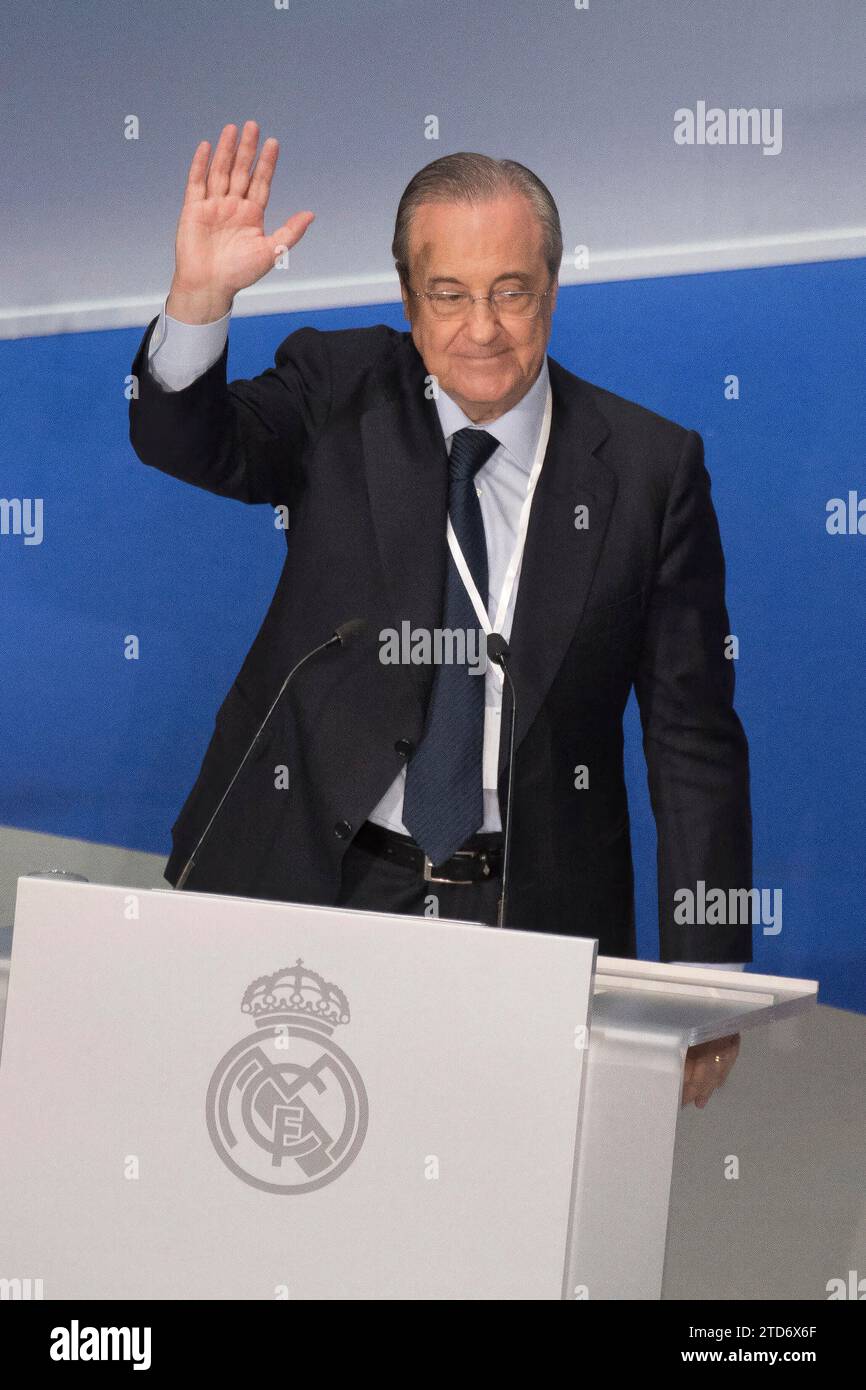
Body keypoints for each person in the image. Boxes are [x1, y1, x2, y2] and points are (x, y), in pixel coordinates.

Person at [129, 122, 750, 1106]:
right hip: (302, 880)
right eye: (448, 294)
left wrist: (705, 975)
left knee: (491, 1230)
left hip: (523, 913)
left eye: (510, 291)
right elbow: (186, 442)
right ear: (407, 299)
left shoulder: (646, 468)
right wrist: (200, 301)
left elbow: (691, 741)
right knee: (269, 1200)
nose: (481, 328)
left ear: (551, 286)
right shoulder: (339, 390)